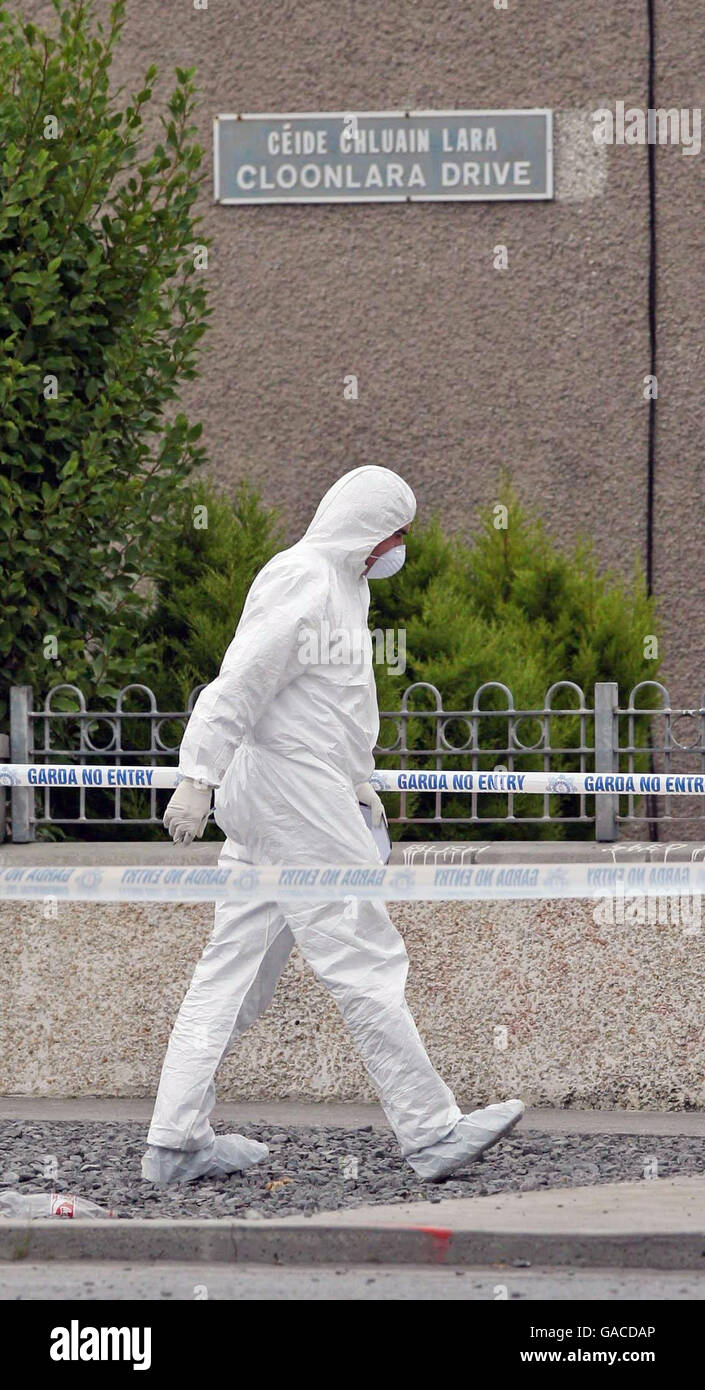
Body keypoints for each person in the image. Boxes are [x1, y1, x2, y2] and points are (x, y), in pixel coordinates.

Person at [141, 466, 523, 1184]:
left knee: (232, 971)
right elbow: (243, 678)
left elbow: (328, 702)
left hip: (294, 791)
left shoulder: (345, 585)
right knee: (363, 955)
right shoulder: (306, 577)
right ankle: (431, 1131)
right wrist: (197, 774)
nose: (398, 548)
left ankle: (175, 1141)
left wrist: (356, 780)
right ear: (367, 527)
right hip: (294, 794)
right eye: (396, 534)